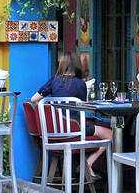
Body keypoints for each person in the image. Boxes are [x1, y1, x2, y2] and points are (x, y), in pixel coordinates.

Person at [32, 52, 112, 181]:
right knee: (110, 134)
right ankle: (88, 163)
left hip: (54, 131)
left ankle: (84, 165)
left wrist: (47, 114)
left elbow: (34, 99)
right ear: (77, 65)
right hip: (74, 130)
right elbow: (83, 106)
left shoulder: (53, 80)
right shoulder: (80, 84)